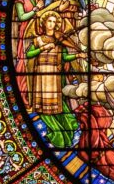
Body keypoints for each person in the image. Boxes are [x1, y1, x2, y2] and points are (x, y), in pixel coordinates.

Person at [21, 11, 81, 148]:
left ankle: (65, 134)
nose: (51, 24)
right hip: (41, 76)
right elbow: (29, 54)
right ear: (44, 23)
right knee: (43, 107)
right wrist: (43, 48)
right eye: (49, 21)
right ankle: (56, 135)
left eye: (54, 22)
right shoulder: (38, 40)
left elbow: (65, 57)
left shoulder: (60, 41)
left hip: (55, 76)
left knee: (58, 106)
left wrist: (78, 56)